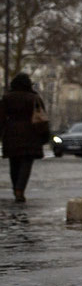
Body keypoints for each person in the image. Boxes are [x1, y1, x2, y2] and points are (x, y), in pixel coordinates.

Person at [0, 73, 49, 202]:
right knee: (26, 163)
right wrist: (44, 136)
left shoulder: (7, 98)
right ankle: (20, 189)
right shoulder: (34, 98)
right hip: (31, 134)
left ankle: (15, 187)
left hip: (11, 134)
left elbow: (1, 118)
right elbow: (42, 117)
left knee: (14, 163)